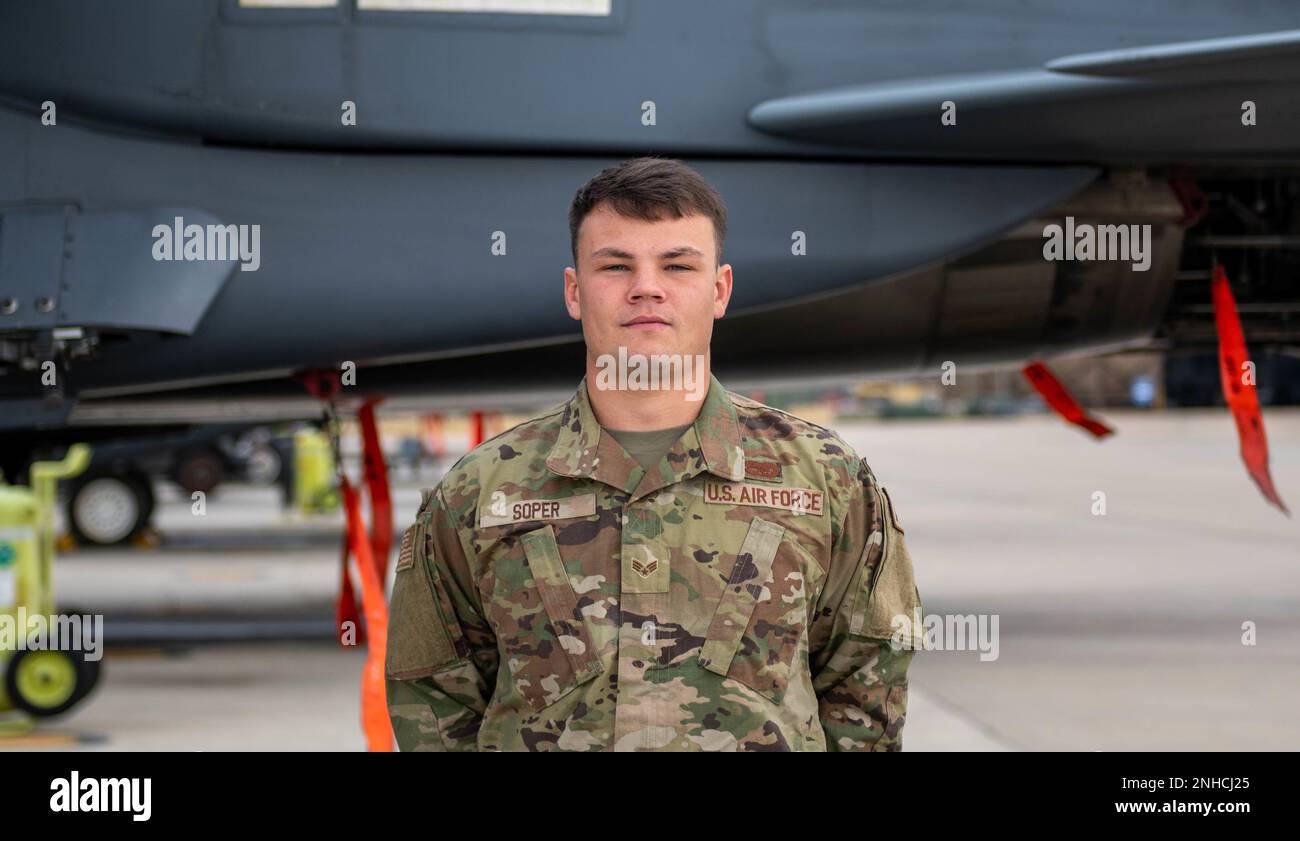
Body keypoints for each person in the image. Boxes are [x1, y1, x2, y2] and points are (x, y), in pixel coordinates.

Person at [385, 157, 922, 751]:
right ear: (574, 291)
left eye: (677, 265)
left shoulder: (827, 479)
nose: (646, 285)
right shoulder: (480, 491)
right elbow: (434, 702)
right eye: (616, 265)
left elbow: (867, 689)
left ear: (719, 290)